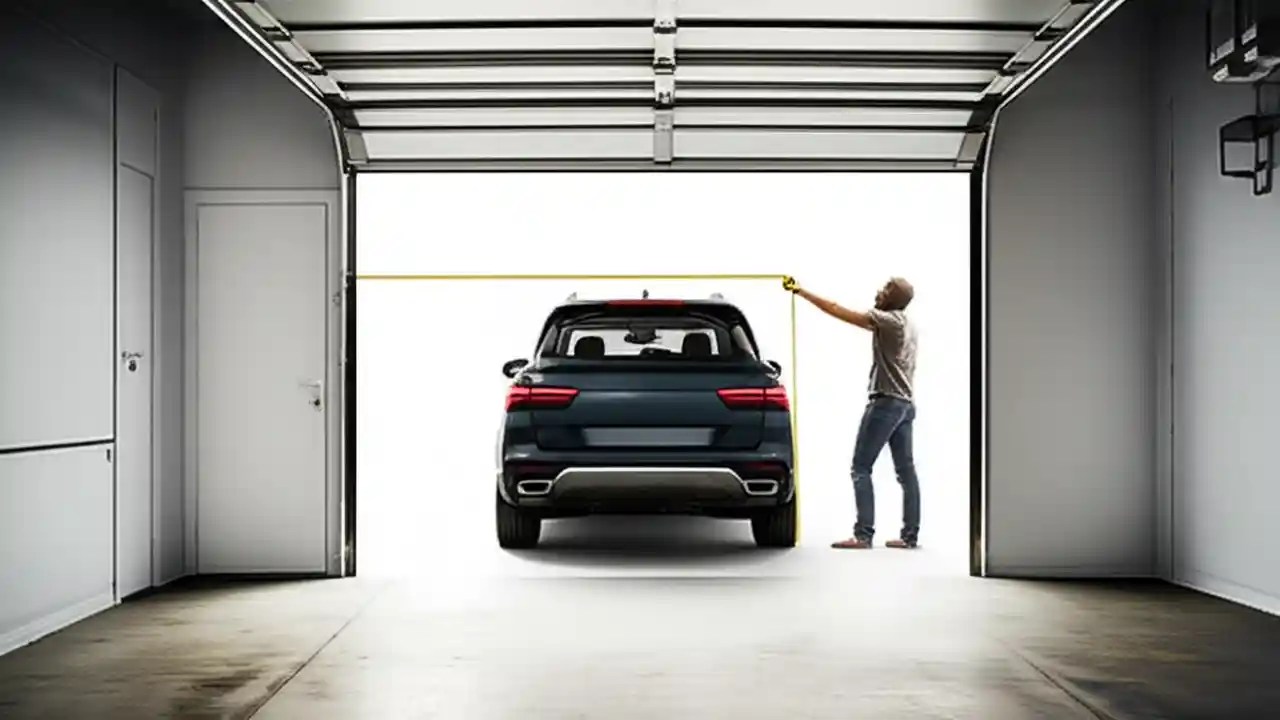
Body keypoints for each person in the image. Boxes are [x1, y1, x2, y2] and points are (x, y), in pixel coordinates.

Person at [785, 276, 921, 550]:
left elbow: (836, 309)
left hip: (885, 404)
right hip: (906, 405)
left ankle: (863, 535)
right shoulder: (909, 326)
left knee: (861, 467)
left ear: (894, 299)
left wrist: (801, 291)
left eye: (886, 289)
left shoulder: (887, 320)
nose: (879, 291)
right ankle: (909, 537)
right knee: (906, 472)